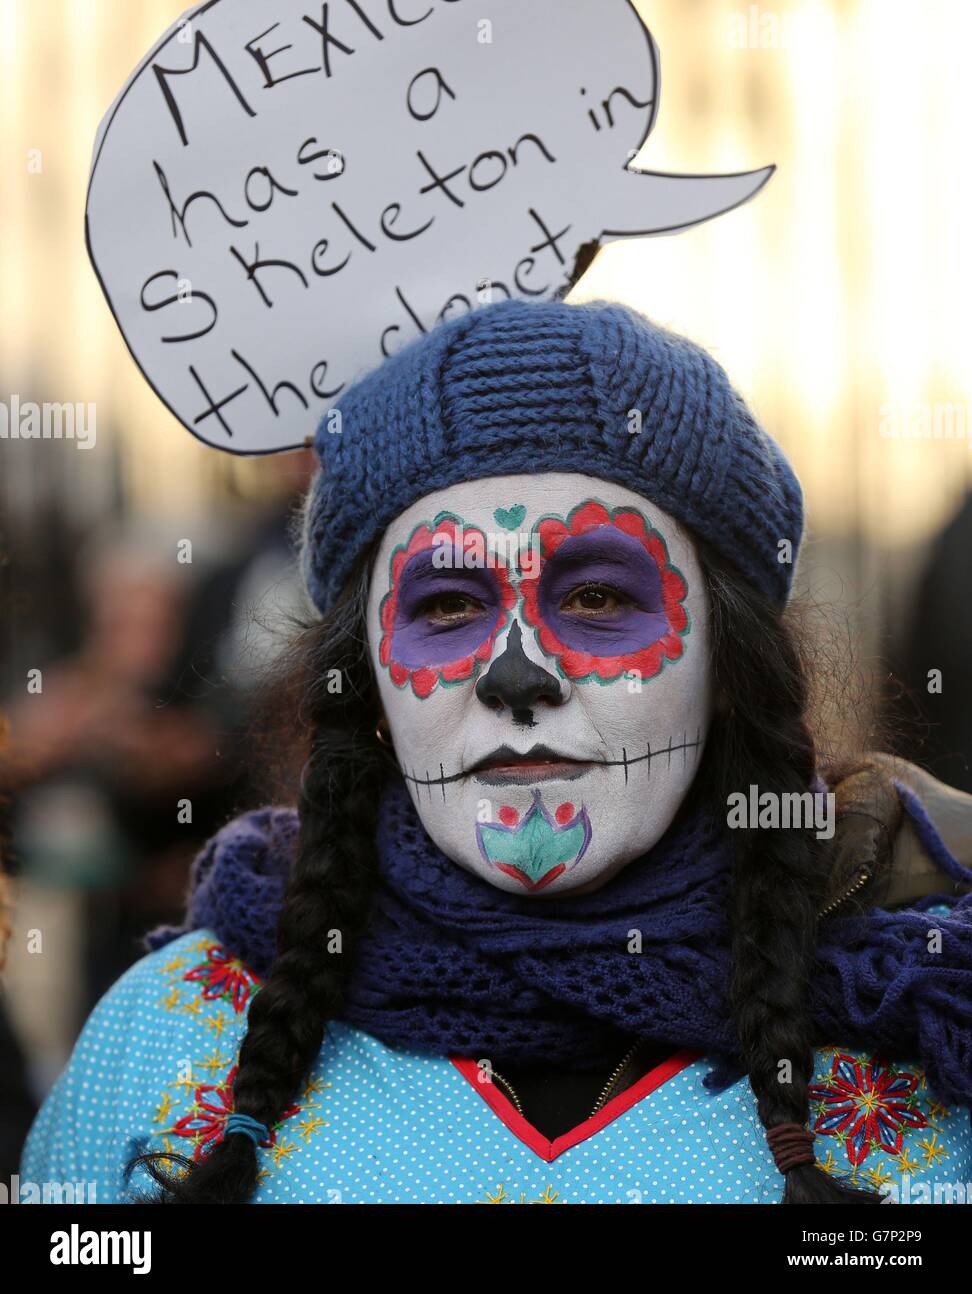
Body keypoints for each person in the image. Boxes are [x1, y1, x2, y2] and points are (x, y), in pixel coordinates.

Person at [19, 298, 972, 1205]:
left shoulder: (927, 1026)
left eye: (598, 597)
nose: (519, 677)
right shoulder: (170, 1040)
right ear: (372, 684)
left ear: (730, 665)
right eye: (446, 605)